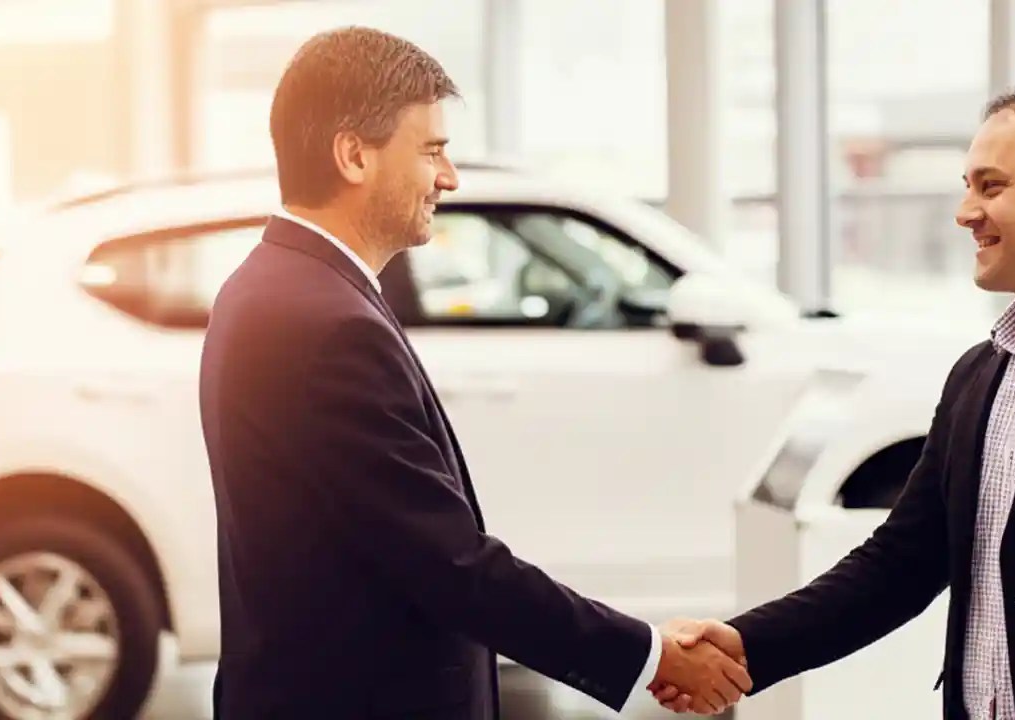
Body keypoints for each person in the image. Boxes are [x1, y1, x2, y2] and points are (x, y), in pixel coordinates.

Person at [199, 26, 750, 720]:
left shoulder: (277, 289)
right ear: (353, 155)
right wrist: (645, 656)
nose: (449, 177)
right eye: (431, 150)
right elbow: (450, 564)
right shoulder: (322, 322)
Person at [652, 87, 1015, 718]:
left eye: (992, 186)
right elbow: (899, 564)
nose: (965, 211)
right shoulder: (979, 375)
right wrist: (746, 645)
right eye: (967, 186)